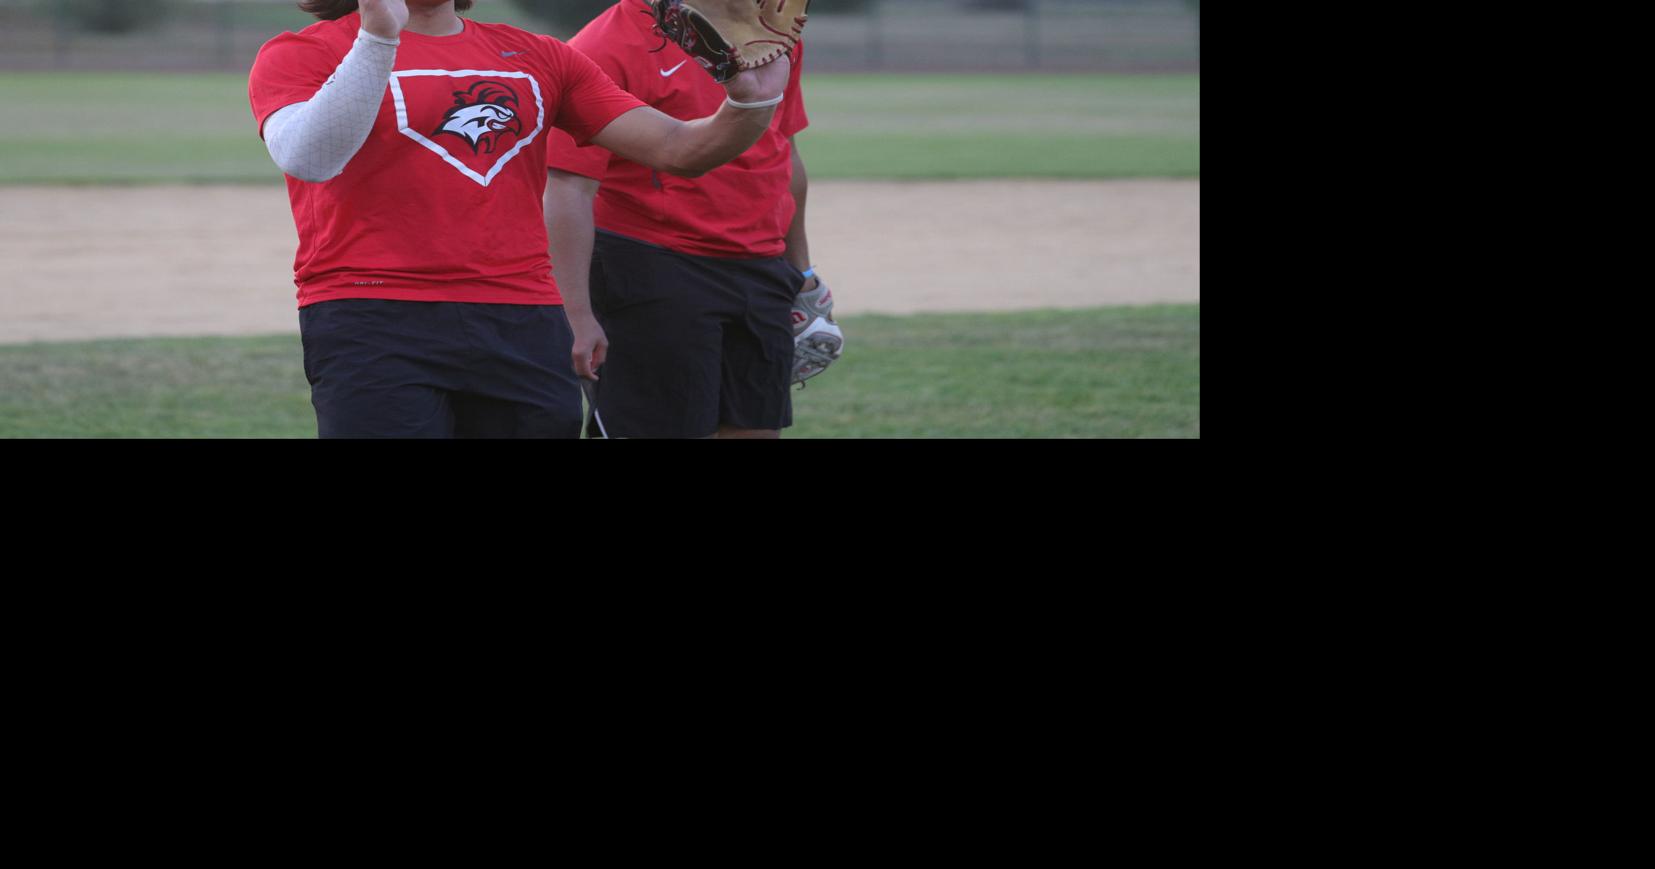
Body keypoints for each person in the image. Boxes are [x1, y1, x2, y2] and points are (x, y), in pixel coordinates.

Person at [247, 0, 792, 437]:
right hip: (373, 314)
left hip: (522, 318)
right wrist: (379, 35)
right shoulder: (301, 52)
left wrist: (748, 104)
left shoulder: (539, 54)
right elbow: (309, 158)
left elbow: (677, 148)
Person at [545, 0, 827, 440]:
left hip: (761, 266)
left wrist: (801, 272)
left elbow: (782, 151)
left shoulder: (767, 28)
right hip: (654, 267)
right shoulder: (603, 44)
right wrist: (576, 314)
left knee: (755, 431)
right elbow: (568, 188)